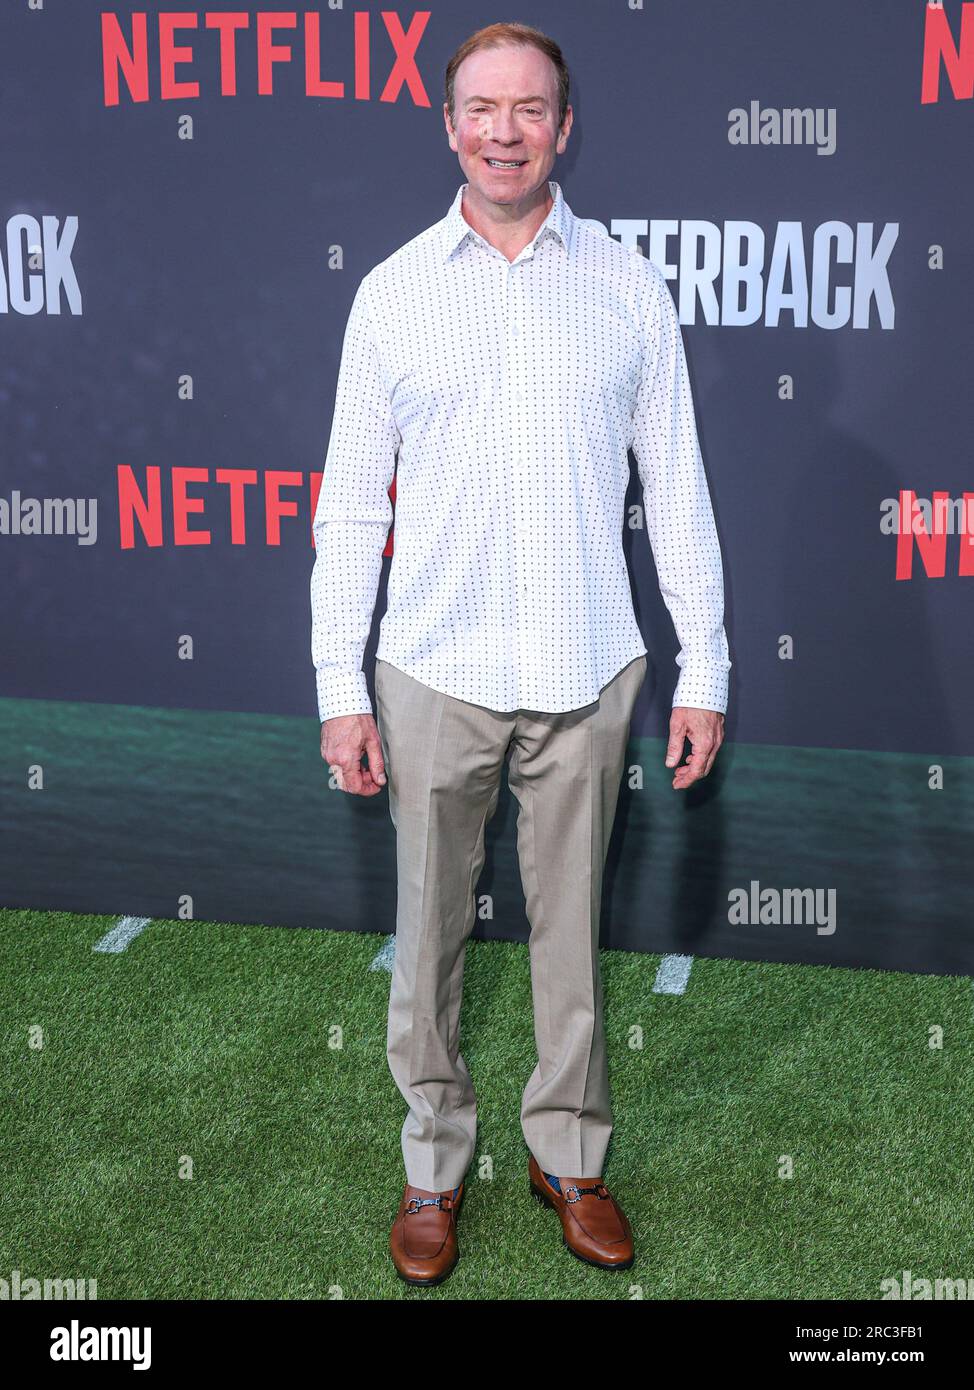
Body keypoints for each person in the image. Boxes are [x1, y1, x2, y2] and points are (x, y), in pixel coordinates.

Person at [310, 21, 731, 1288]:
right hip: (432, 671)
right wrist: (340, 684)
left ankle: (569, 1157)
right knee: (426, 937)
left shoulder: (626, 286)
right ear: (448, 127)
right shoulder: (390, 290)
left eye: (529, 109)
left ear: (564, 126)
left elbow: (679, 483)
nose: (504, 130)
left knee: (570, 940)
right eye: (480, 108)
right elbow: (349, 507)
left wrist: (701, 663)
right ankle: (431, 1165)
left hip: (590, 668)